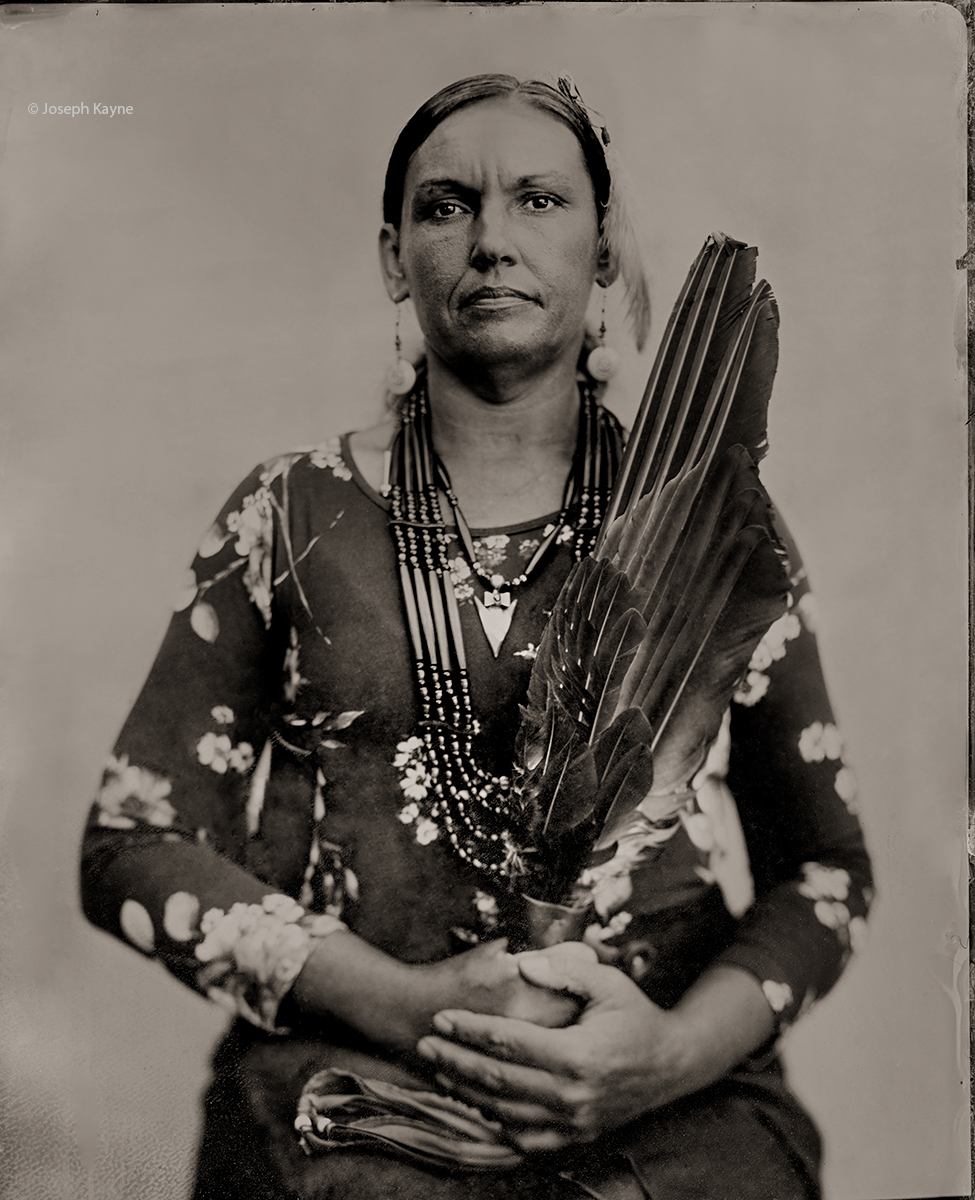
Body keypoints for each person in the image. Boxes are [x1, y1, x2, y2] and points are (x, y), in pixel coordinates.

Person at [80, 74, 872, 1200]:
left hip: (669, 1108)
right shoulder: (288, 513)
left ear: (603, 250)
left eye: (540, 201)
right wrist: (407, 1004)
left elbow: (828, 870)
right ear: (393, 256)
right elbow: (129, 843)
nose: (493, 240)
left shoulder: (708, 532)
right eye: (448, 205)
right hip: (356, 1091)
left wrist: (666, 1056)